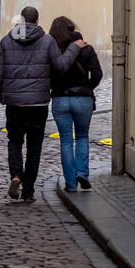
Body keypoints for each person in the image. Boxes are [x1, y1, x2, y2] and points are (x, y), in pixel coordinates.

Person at [0, 5, 81, 203]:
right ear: (38, 21)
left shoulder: (6, 41)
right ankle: (29, 190)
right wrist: (74, 47)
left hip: (14, 103)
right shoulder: (47, 41)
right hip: (38, 104)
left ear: (22, 21)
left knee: (14, 141)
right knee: (34, 147)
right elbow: (61, 66)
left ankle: (16, 175)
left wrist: (2, 96)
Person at [49, 16, 103, 193]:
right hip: (82, 99)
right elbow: (97, 74)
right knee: (82, 136)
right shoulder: (86, 48)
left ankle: (70, 183)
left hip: (60, 99)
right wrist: (86, 88)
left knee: (66, 140)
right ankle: (82, 174)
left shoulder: (52, 49)